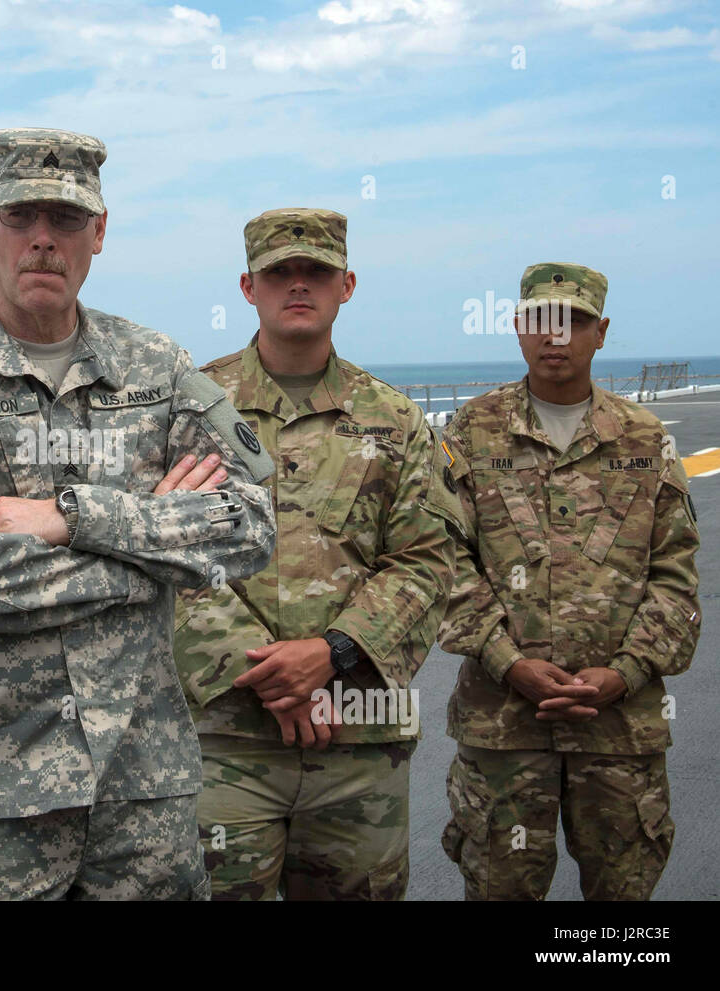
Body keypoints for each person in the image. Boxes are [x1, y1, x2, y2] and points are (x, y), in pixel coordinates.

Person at [0, 127, 277, 900]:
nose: (43, 240)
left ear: (100, 232)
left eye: (67, 220)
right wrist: (154, 556)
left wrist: (74, 516)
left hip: (143, 788)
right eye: (21, 218)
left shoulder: (158, 365)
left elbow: (252, 527)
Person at [172, 208, 463, 900]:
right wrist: (270, 673)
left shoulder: (393, 420)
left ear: (347, 284)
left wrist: (330, 653)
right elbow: (163, 552)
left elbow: (426, 560)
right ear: (248, 287)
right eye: (279, 272)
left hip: (357, 742)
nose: (297, 285)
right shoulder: (191, 408)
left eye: (316, 272)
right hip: (225, 742)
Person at [438, 262, 701, 900]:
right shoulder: (471, 432)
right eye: (540, 321)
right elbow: (443, 560)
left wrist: (629, 671)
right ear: (519, 329)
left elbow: (675, 576)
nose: (555, 336)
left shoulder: (645, 439)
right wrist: (508, 661)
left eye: (574, 321)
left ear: (601, 332)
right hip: (503, 725)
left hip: (619, 731)